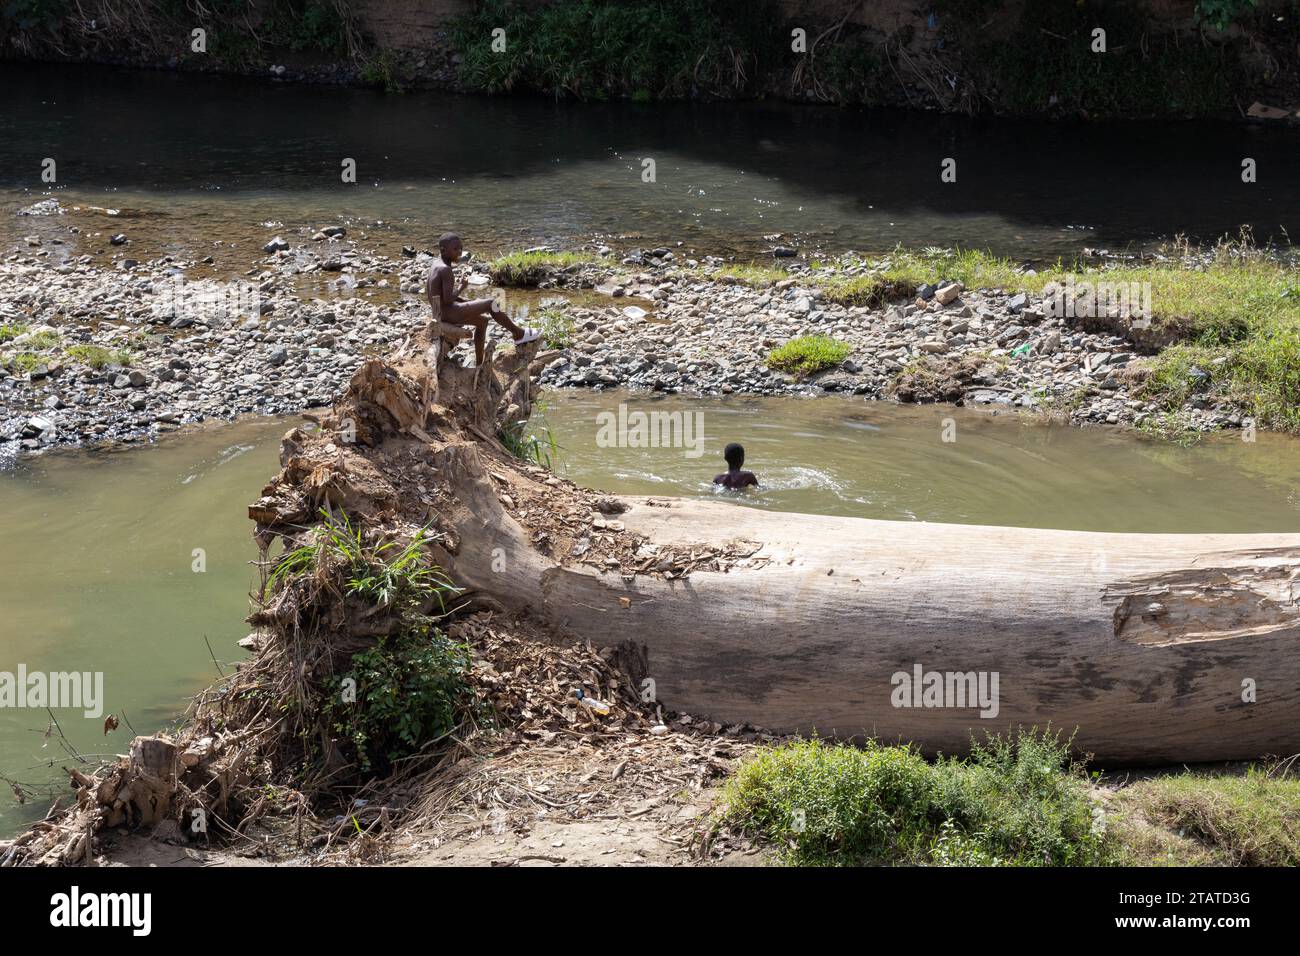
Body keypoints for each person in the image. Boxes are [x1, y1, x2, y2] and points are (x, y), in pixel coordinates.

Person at [427, 232, 539, 364]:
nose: (460, 252)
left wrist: (467, 302)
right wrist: (462, 287)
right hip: (447, 313)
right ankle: (518, 334)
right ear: (443, 250)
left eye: (461, 248)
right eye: (455, 249)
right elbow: (447, 299)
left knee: (483, 321)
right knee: (491, 303)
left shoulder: (436, 264)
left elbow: (441, 297)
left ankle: (479, 364)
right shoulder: (445, 269)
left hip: (440, 312)